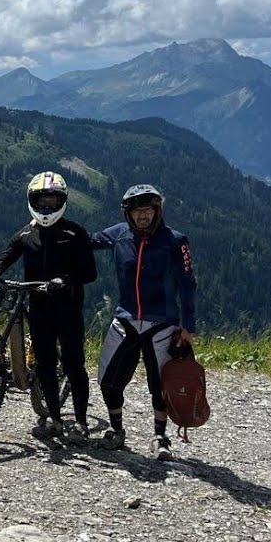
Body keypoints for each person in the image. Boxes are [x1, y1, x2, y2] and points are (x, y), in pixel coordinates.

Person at [0, 171, 97, 443]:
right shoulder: (26, 233)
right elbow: (7, 255)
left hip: (68, 308)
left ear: (63, 202)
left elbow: (90, 273)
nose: (46, 208)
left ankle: (80, 421)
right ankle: (55, 420)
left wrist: (65, 280)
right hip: (39, 308)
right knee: (45, 364)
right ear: (32, 201)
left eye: (52, 202)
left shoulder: (75, 232)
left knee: (74, 364)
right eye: (41, 201)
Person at [90, 184, 197, 460]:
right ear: (128, 213)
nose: (143, 217)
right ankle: (116, 430)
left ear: (157, 210)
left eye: (148, 211)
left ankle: (160, 438)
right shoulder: (118, 234)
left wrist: (189, 326)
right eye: (137, 212)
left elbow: (187, 284)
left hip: (162, 324)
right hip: (125, 319)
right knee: (108, 380)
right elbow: (86, 242)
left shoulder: (176, 241)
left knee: (161, 384)